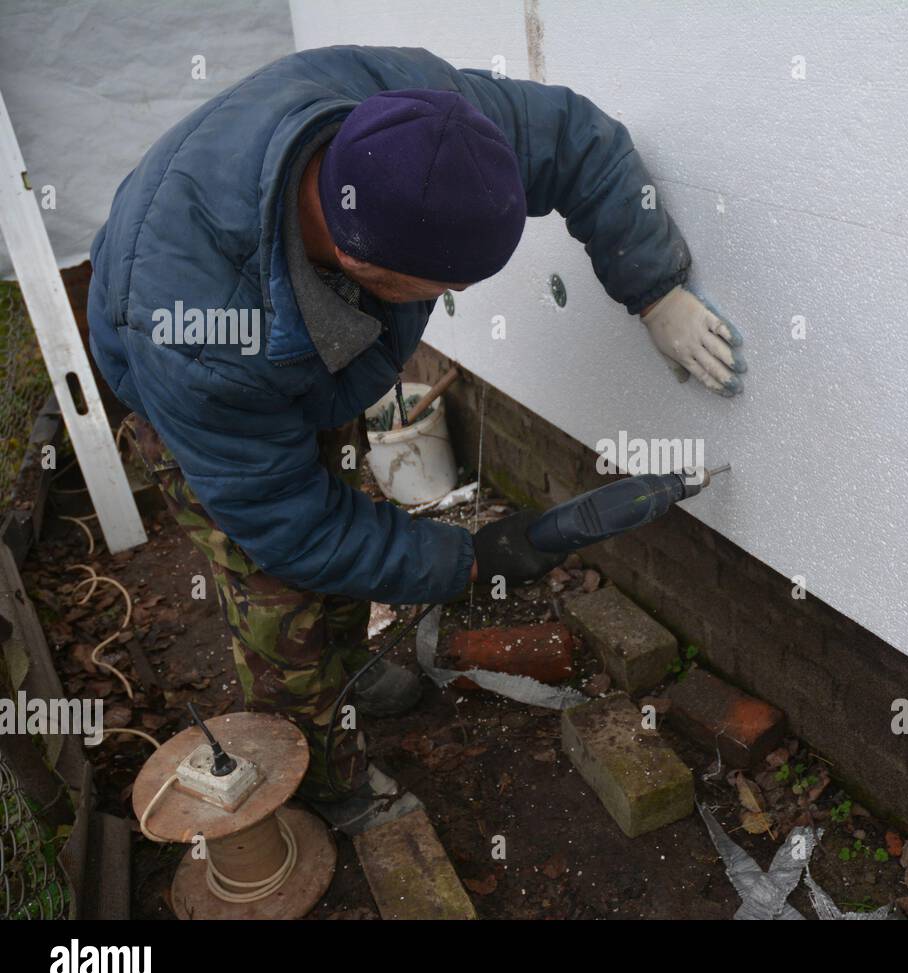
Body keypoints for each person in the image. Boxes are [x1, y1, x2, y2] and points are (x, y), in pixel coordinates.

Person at [88, 45, 744, 825]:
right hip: (180, 380)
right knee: (281, 593)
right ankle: (322, 778)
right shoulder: (201, 342)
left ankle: (351, 669)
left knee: (340, 506)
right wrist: (463, 559)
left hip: (282, 334)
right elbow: (295, 526)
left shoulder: (422, 119)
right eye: (446, 285)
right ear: (361, 265)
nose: (460, 293)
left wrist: (654, 290)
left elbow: (574, 138)